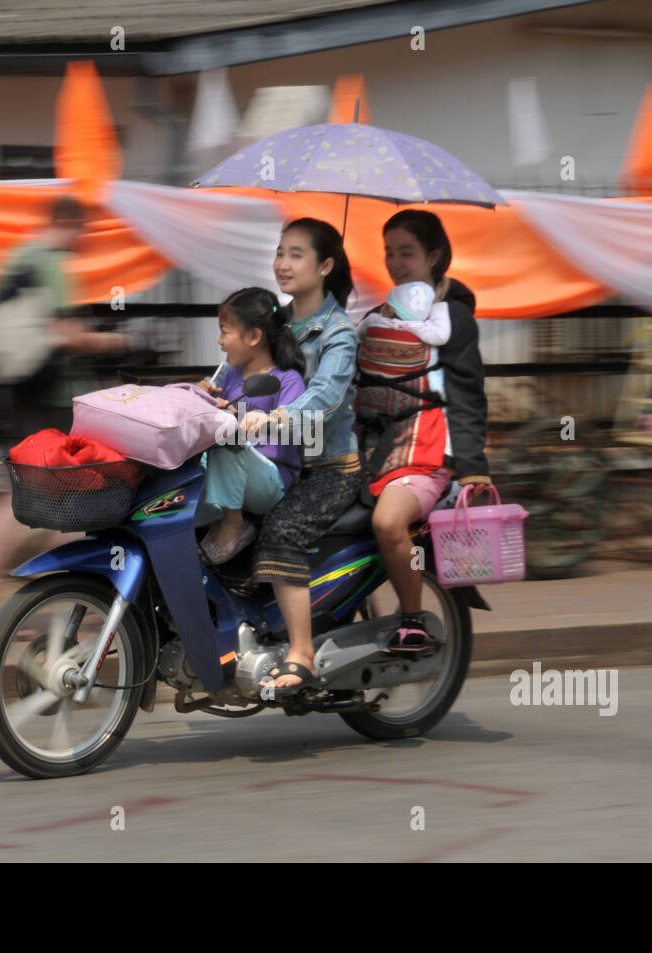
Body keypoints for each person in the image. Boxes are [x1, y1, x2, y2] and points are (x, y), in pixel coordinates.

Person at [0, 194, 127, 639]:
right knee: (54, 497)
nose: (83, 243)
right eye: (83, 233)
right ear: (72, 225)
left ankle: (8, 601)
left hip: (14, 392)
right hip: (47, 395)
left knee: (40, 497)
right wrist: (109, 344)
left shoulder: (16, 257)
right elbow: (63, 333)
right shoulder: (48, 261)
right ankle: (14, 602)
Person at [234, 218, 362, 693]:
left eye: (296, 254)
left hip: (328, 469)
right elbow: (236, 361)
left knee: (282, 528)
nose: (282, 264)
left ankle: (301, 653)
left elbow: (327, 396)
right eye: (279, 252)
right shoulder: (275, 321)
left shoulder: (339, 333)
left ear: (325, 265)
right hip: (278, 459)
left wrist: (274, 417)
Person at [363, 209, 491, 653]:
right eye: (389, 252)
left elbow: (468, 394)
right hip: (370, 447)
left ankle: (413, 621)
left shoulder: (451, 317)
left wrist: (472, 467)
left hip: (427, 450)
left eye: (407, 253)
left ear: (434, 255)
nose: (396, 262)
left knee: (387, 521)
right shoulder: (382, 313)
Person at [196, 288, 307, 564]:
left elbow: (293, 425)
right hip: (236, 477)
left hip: (271, 480)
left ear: (254, 336)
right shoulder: (231, 377)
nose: (220, 341)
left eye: (225, 331)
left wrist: (247, 419)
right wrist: (203, 399)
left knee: (227, 440)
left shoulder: (288, 379)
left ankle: (234, 523)